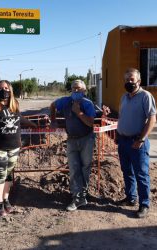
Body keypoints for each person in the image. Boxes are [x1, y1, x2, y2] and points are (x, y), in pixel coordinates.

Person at [0, 80, 36, 217]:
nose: (3, 90)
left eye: (6, 88)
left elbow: (19, 119)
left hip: (14, 147)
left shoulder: (14, 104)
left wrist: (34, 124)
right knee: (0, 175)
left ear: (10, 90)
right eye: (0, 88)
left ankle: (6, 200)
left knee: (8, 176)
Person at [116, 68, 157, 218]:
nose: (129, 82)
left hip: (137, 142)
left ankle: (144, 204)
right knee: (127, 171)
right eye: (126, 79)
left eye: (131, 79)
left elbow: (152, 119)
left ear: (139, 81)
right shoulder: (124, 97)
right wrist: (118, 134)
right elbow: (123, 117)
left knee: (141, 174)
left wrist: (141, 139)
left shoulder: (145, 96)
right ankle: (131, 198)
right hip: (124, 142)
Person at [50, 79, 96, 211]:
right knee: (74, 169)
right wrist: (53, 120)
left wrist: (78, 113)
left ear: (84, 91)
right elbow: (52, 105)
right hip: (71, 140)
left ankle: (83, 194)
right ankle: (78, 198)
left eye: (79, 89)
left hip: (86, 139)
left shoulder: (87, 104)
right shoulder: (65, 101)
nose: (76, 91)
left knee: (85, 168)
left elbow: (90, 123)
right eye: (74, 88)